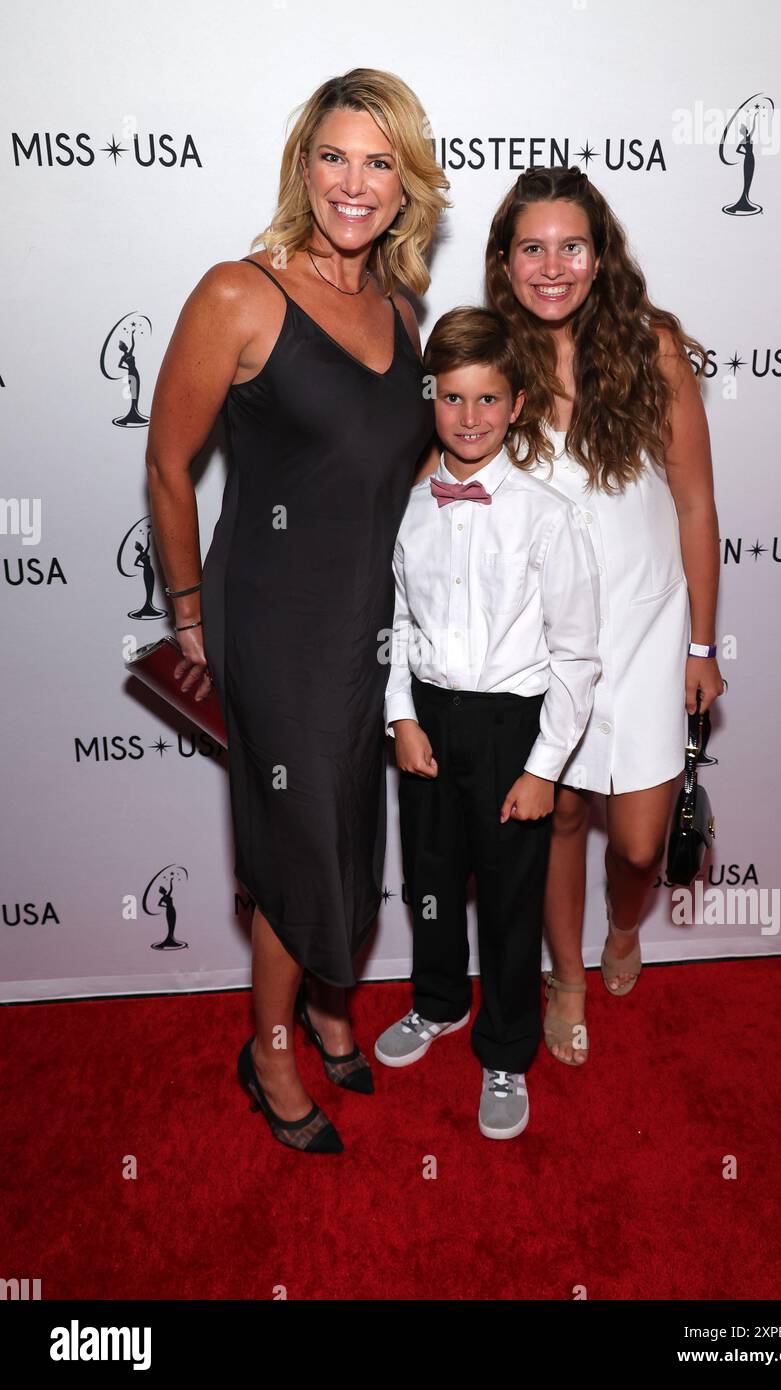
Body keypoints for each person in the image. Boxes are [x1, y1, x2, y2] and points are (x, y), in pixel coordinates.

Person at [145, 70, 448, 1153]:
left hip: (371, 619)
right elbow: (168, 464)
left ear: (406, 186)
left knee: (352, 826)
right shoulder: (241, 294)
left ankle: (327, 1006)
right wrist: (189, 610)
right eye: (333, 157)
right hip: (273, 620)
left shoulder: (403, 312)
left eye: (379, 162)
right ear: (302, 167)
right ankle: (269, 1045)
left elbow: (396, 472)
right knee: (302, 835)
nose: (353, 184)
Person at [484, 165, 725, 1065]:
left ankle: (625, 924)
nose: (552, 268)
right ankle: (567, 978)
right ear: (505, 261)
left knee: (636, 842)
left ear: (601, 255)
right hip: (545, 640)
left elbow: (695, 504)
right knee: (558, 818)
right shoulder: (491, 359)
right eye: (532, 248)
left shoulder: (649, 347)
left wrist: (702, 643)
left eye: (571, 247)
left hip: (650, 631)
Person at [374, 306, 601, 1139]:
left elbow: (576, 654)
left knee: (509, 898)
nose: (469, 417)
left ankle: (506, 1048)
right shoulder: (407, 508)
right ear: (429, 399)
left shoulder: (548, 514)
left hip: (514, 728)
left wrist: (544, 768)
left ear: (517, 404)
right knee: (431, 879)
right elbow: (396, 625)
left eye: (488, 399)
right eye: (452, 398)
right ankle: (438, 1001)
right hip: (430, 719)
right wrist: (401, 716)